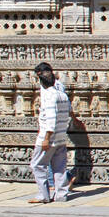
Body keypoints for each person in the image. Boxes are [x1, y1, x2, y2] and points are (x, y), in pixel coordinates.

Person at [28, 62, 71, 204]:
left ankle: (43, 195)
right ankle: (61, 195)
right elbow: (67, 114)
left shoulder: (49, 96)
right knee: (59, 167)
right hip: (61, 136)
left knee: (37, 165)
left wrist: (46, 138)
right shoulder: (63, 95)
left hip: (49, 137)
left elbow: (51, 119)